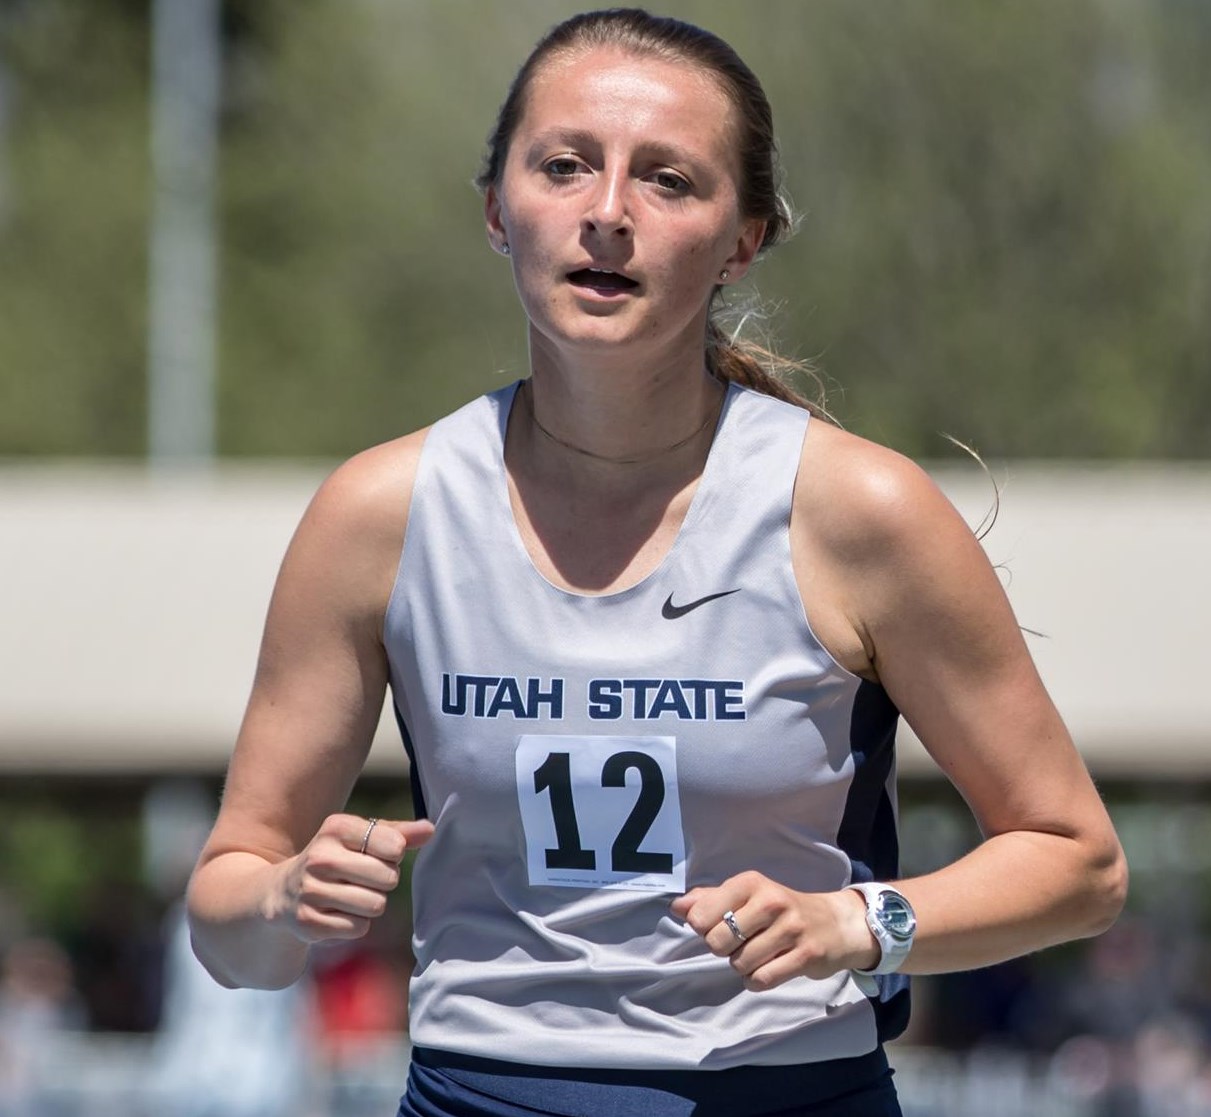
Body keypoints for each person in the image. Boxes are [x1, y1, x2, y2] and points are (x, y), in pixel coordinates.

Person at [186, 9, 1128, 1116]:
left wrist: (860, 923)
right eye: (564, 166)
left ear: (742, 239)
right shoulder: (379, 514)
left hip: (788, 1090)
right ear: (497, 210)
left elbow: (1079, 864)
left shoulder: (855, 511)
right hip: (475, 1092)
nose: (606, 213)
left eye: (668, 180)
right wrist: (284, 900)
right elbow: (226, 915)